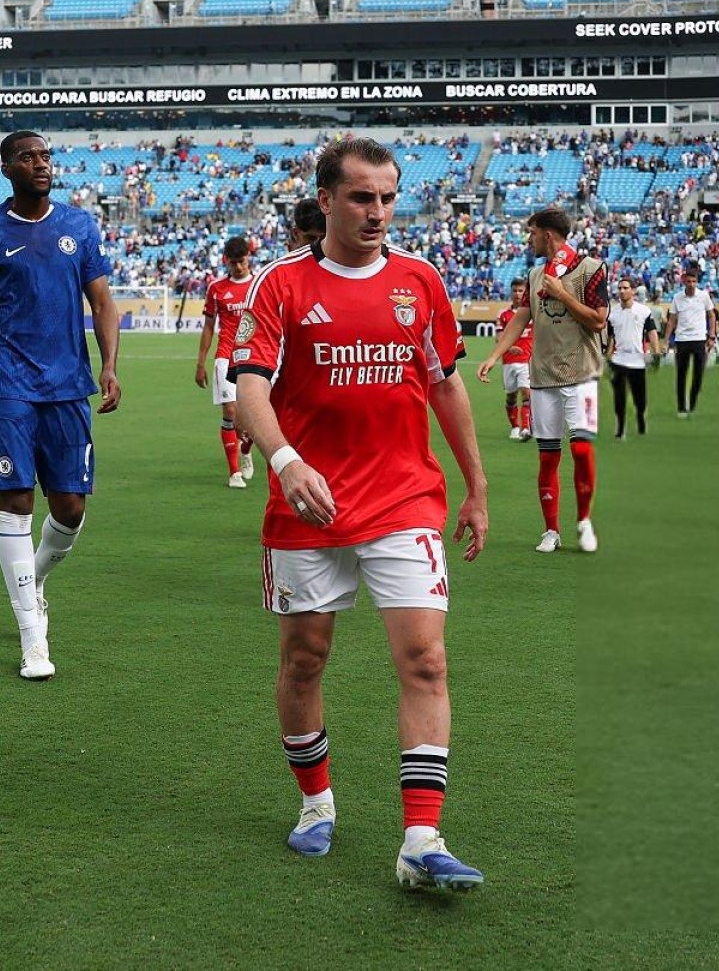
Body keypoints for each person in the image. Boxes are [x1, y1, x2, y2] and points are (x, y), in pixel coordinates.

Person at [230, 136, 490, 890]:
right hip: (306, 504)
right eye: (360, 198)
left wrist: (474, 486)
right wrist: (285, 461)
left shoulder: (420, 280)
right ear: (326, 201)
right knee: (305, 661)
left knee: (426, 659)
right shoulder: (279, 285)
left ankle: (421, 838)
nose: (377, 213)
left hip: (404, 497)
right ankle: (316, 805)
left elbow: (444, 385)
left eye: (386, 197)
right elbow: (249, 387)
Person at [0, 130, 123, 681]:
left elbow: (102, 302)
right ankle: (32, 637)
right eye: (29, 157)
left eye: (46, 156)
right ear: (6, 168)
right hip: (8, 385)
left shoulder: (78, 225)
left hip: (69, 386)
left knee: (70, 509)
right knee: (15, 501)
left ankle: (35, 578)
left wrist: (109, 364)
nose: (42, 164)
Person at [476, 206, 607, 554]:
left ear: (547, 235)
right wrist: (494, 355)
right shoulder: (535, 275)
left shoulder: (591, 269)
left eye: (532, 233)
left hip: (584, 375)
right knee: (548, 457)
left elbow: (598, 321)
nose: (528, 239)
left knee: (582, 449)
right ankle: (551, 530)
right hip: (543, 377)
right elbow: (520, 320)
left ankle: (584, 522)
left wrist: (562, 293)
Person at [195, 234, 262, 485]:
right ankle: (234, 472)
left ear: (249, 258)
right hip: (225, 357)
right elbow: (209, 327)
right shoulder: (216, 288)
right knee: (231, 412)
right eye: (233, 262)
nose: (238, 266)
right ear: (226, 261)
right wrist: (200, 363)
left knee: (254, 414)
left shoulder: (260, 284)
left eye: (241, 261)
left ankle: (246, 450)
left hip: (255, 356)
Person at [603, 277, 660, 438]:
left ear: (633, 291)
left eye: (625, 288)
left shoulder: (643, 311)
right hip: (618, 361)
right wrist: (607, 358)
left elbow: (652, 333)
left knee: (639, 398)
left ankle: (641, 418)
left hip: (638, 362)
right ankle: (620, 428)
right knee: (619, 398)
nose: (621, 291)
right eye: (620, 288)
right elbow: (611, 337)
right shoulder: (612, 313)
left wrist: (655, 354)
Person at [490, 276, 535, 442]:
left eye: (521, 291)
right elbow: (499, 337)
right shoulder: (503, 314)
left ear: (525, 292)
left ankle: (525, 428)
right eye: (515, 290)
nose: (517, 294)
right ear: (511, 292)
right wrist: (508, 346)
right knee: (510, 396)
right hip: (508, 361)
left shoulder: (532, 312)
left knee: (526, 392)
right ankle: (515, 426)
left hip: (527, 360)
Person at [667, 265, 717, 416]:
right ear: (684, 282)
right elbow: (672, 319)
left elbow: (711, 315)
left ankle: (693, 402)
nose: (691, 284)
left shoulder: (703, 296)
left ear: (697, 282)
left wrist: (712, 334)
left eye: (694, 281)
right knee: (681, 375)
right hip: (682, 340)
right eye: (688, 281)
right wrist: (666, 339)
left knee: (698, 375)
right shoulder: (677, 298)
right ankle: (681, 407)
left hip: (699, 339)